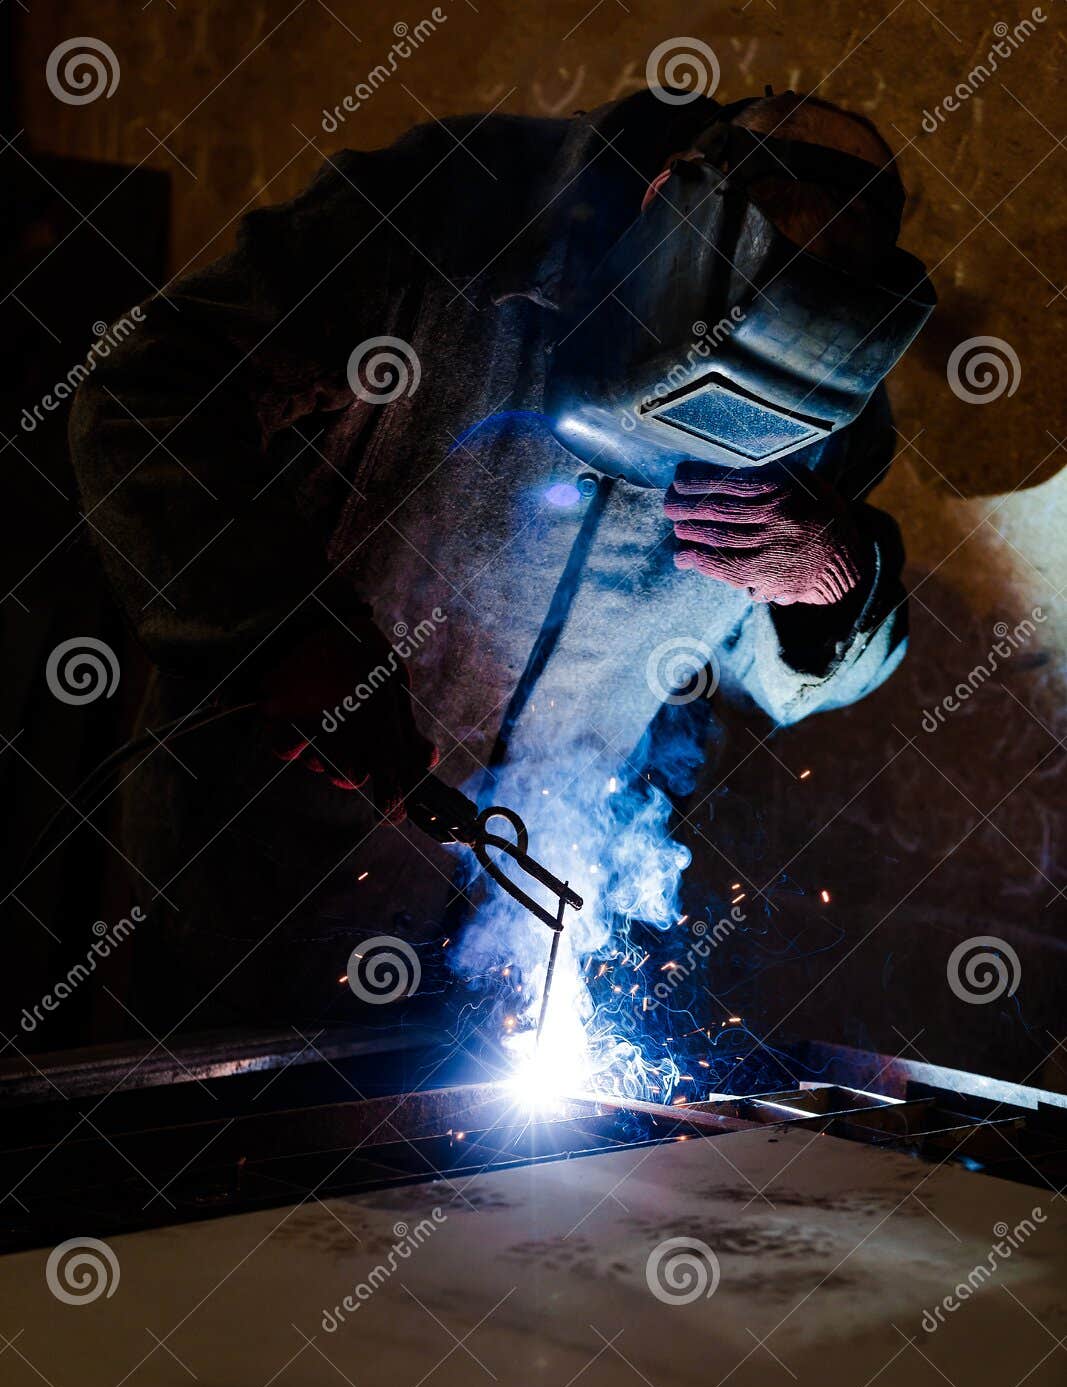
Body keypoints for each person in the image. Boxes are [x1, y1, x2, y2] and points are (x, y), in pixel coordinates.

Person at [68, 86, 921, 1028]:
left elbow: (792, 677)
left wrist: (836, 582)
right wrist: (272, 631)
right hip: (267, 877)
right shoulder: (447, 207)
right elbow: (152, 389)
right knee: (227, 1153)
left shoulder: (827, 378)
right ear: (659, 209)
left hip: (530, 920)